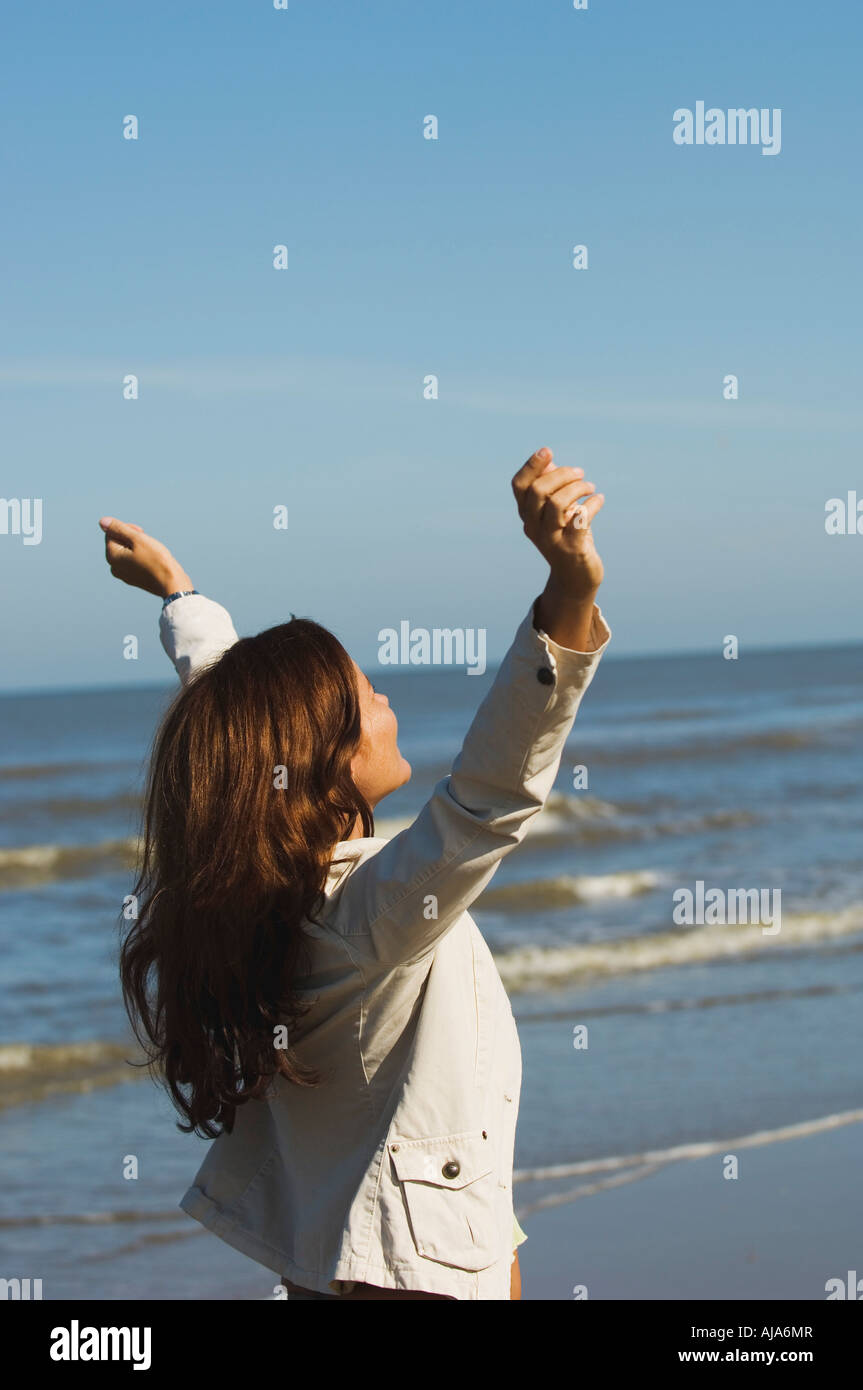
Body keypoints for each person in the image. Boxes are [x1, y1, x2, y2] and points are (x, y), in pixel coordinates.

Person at [100, 447, 610, 1300]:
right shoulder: (365, 910)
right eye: (366, 694)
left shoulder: (263, 884)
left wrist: (180, 596)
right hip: (412, 1271)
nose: (387, 703)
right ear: (323, 759)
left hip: (358, 1249)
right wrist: (569, 595)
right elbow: (489, 797)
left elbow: (235, 718)